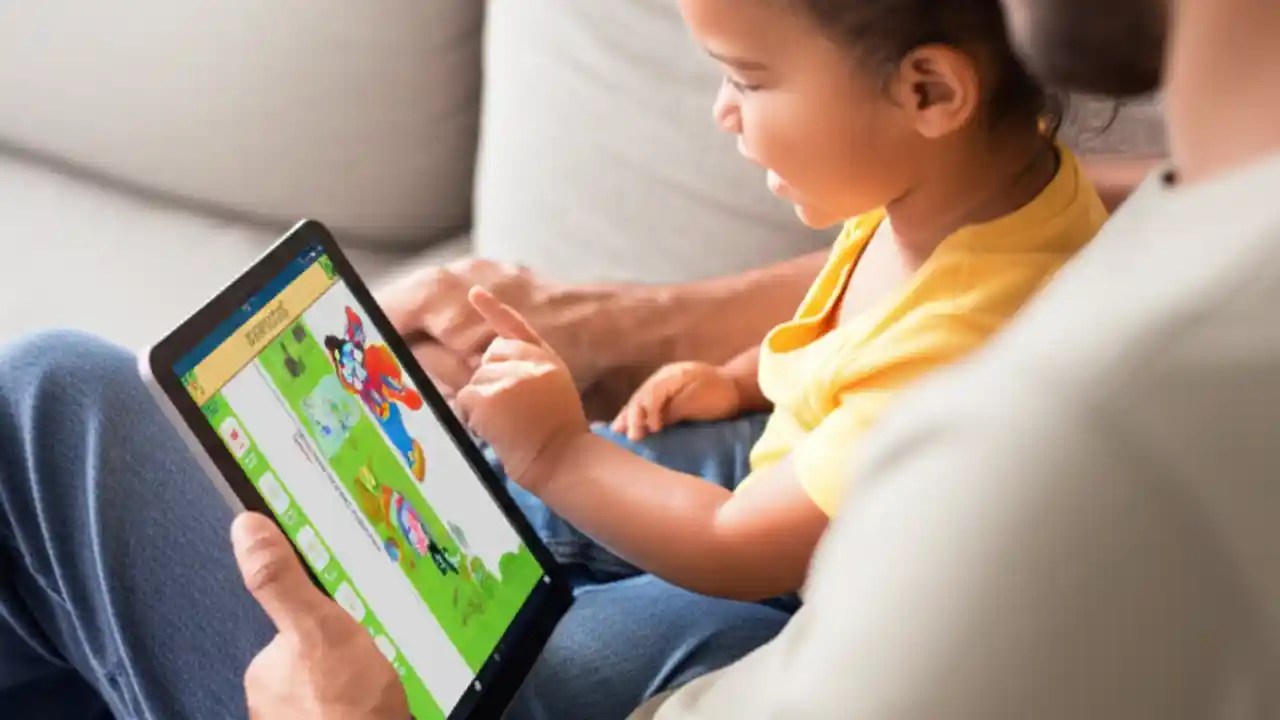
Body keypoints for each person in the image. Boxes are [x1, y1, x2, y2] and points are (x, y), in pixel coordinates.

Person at [0, 9, 1144, 720]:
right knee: (481, 528)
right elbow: (853, 335)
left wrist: (553, 448)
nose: (721, 114)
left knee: (47, 396)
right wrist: (741, 375)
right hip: (787, 556)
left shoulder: (969, 334)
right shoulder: (992, 203)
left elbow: (741, 546)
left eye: (748, 80)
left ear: (929, 91)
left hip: (775, 601)